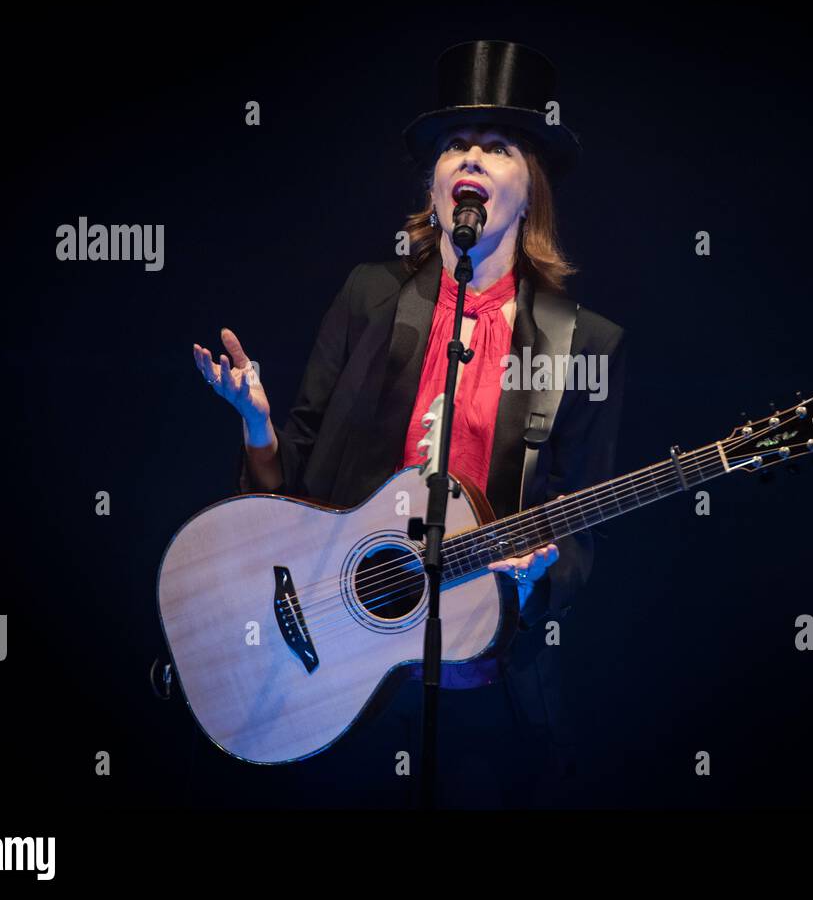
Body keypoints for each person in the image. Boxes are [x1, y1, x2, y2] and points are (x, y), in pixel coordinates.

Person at [191, 40, 626, 807]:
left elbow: (578, 536)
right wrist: (253, 423)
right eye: (457, 144)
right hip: (342, 670)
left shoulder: (582, 344)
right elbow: (288, 488)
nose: (472, 158)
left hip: (488, 683)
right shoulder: (370, 299)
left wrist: (535, 579)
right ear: (433, 184)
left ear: (532, 193)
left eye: (498, 147)